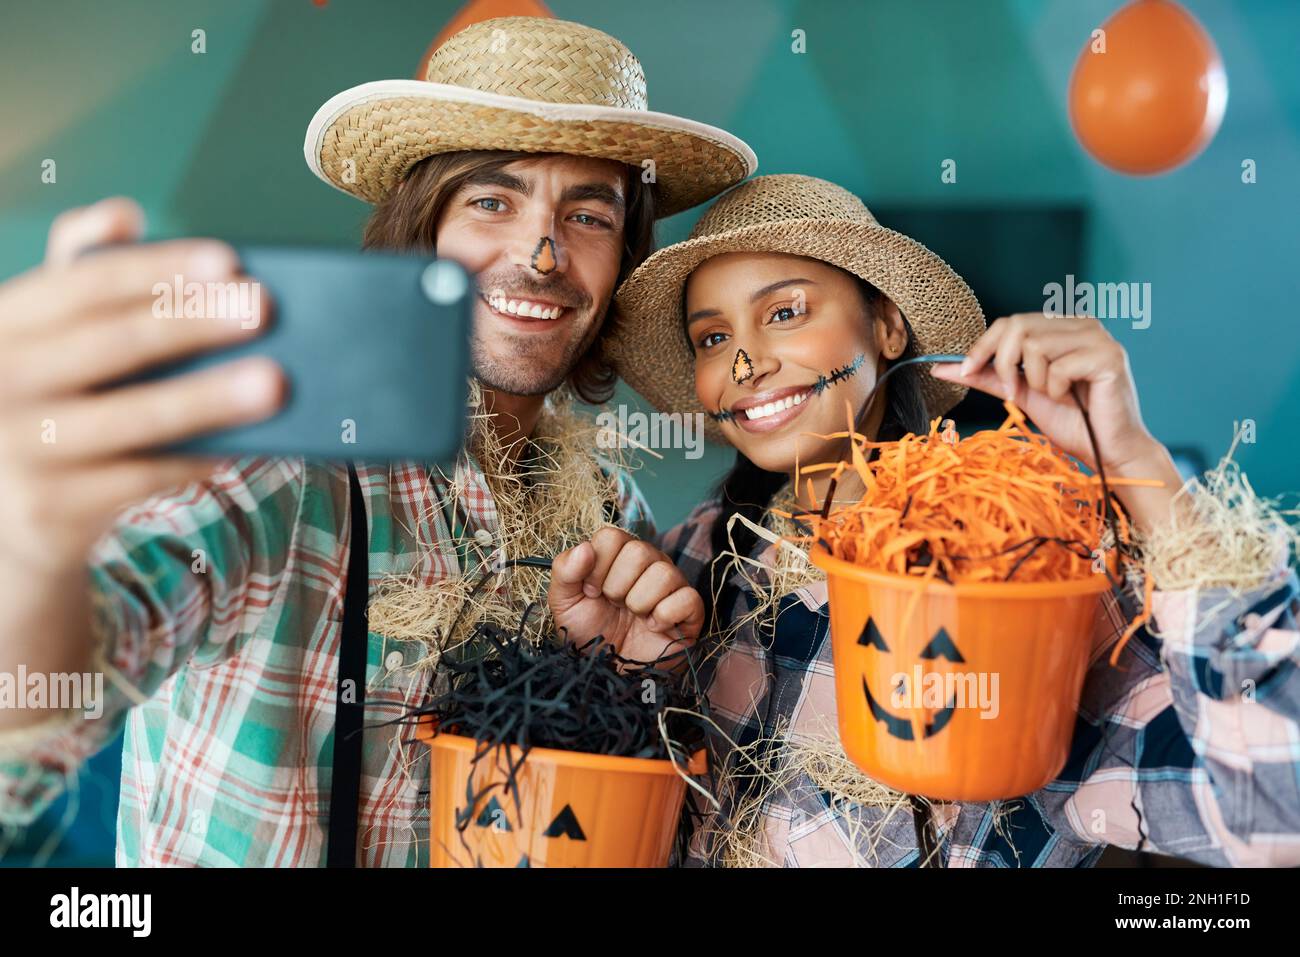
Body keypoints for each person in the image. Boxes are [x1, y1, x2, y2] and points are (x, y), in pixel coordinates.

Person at [0, 16, 750, 866]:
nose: (541, 254)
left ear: (623, 260)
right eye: (492, 202)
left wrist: (626, 691)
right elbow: (45, 706)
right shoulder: (285, 459)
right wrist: (29, 552)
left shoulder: (614, 510)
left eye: (587, 216)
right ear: (421, 228)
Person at [596, 173, 1300, 866]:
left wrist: (1132, 456)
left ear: (888, 326)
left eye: (785, 312)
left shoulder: (1026, 560)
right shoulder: (695, 556)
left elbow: (1275, 807)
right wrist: (620, 681)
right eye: (712, 339)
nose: (744, 362)